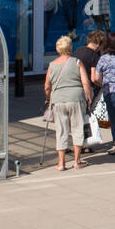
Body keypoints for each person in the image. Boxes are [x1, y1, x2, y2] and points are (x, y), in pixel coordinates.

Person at [45, 35, 94, 170]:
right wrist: (89, 96)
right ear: (70, 48)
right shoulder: (77, 62)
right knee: (77, 128)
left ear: (58, 49)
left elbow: (47, 86)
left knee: (61, 130)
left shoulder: (52, 65)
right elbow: (85, 82)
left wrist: (49, 98)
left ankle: (61, 163)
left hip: (58, 99)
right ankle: (77, 161)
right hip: (76, 98)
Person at [73, 30, 105, 152]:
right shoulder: (94, 56)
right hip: (87, 89)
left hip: (75, 87)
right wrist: (101, 85)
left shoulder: (78, 51)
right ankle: (85, 145)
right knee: (86, 117)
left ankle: (76, 144)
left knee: (76, 118)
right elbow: (94, 77)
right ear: (99, 43)